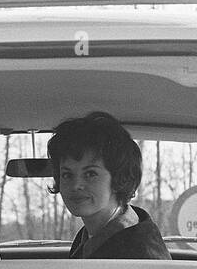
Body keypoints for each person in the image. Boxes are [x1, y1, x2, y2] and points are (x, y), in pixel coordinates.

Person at [46, 111, 171, 260]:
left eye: (90, 174)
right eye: (67, 175)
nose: (76, 185)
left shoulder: (139, 254)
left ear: (119, 178)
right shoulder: (92, 235)